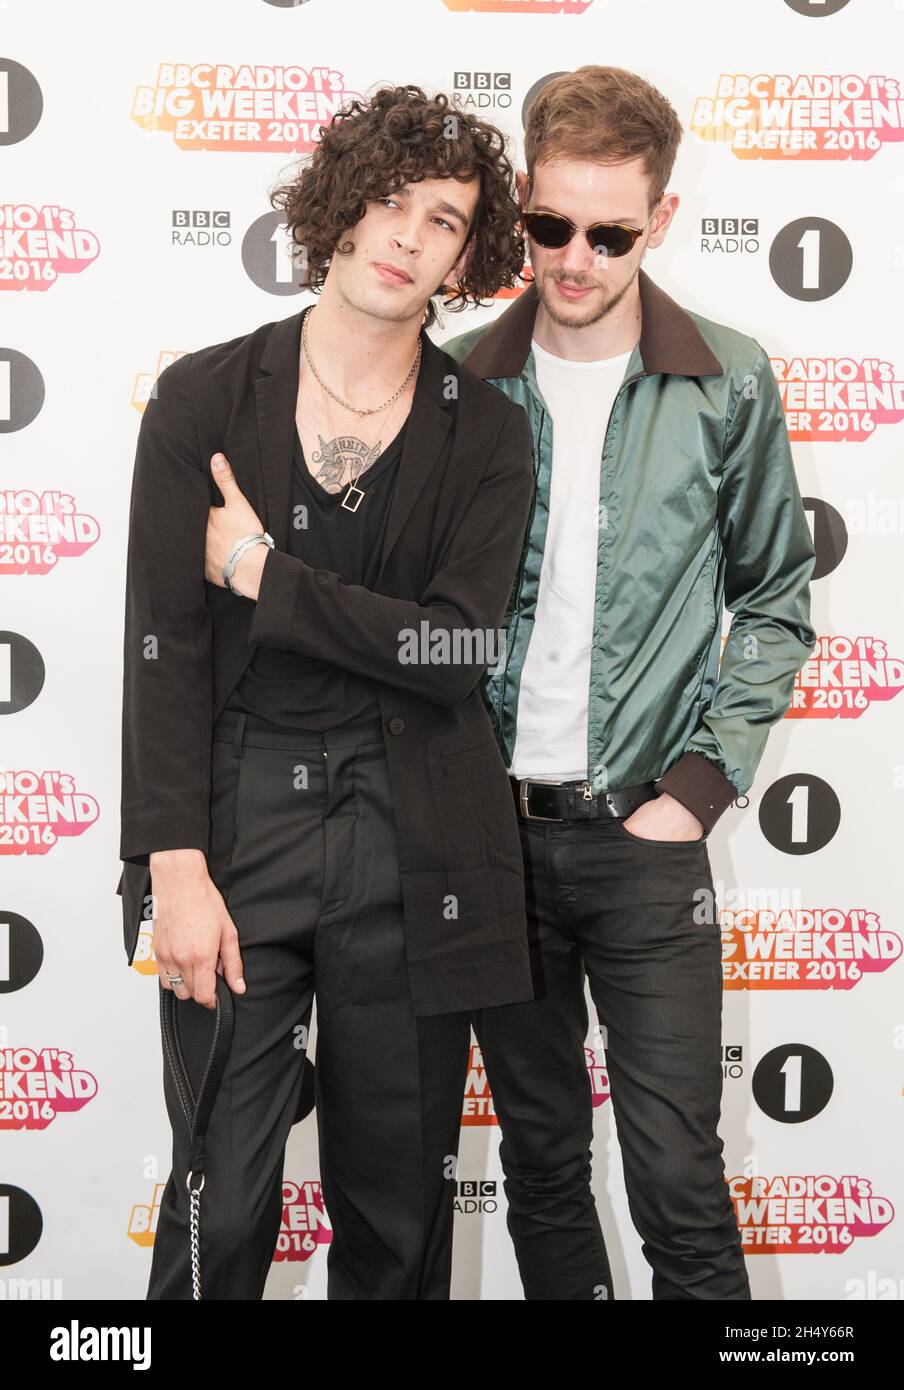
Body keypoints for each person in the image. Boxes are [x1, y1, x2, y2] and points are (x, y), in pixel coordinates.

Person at [116, 84, 536, 1300]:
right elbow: (162, 647)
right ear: (339, 208)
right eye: (392, 202)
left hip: (421, 840)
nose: (410, 235)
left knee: (397, 1220)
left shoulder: (487, 435)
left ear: (468, 255)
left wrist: (264, 573)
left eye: (445, 220)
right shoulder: (203, 399)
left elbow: (459, 652)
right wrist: (171, 864)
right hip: (240, 824)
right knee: (220, 1209)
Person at [444, 65, 817, 1300]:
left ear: (660, 220)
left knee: (676, 1175)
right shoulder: (454, 379)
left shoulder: (728, 377)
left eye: (611, 232)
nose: (574, 258)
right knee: (543, 1167)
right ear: (524, 205)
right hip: (490, 840)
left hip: (648, 840)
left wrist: (701, 786)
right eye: (549, 225)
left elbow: (774, 597)